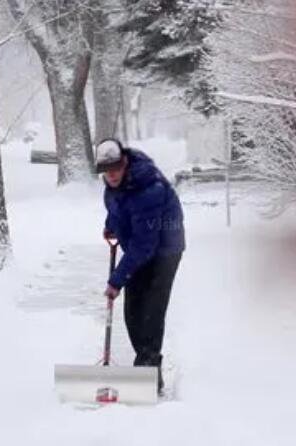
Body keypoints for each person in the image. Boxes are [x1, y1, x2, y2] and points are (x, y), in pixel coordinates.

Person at [95, 138, 185, 394]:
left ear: (124, 163)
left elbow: (145, 246)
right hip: (140, 246)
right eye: (105, 171)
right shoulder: (114, 184)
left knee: (151, 313)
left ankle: (148, 375)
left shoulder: (149, 189)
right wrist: (111, 226)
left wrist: (116, 280)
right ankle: (144, 367)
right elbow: (117, 206)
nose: (111, 175)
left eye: (115, 169)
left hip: (166, 250)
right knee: (132, 313)